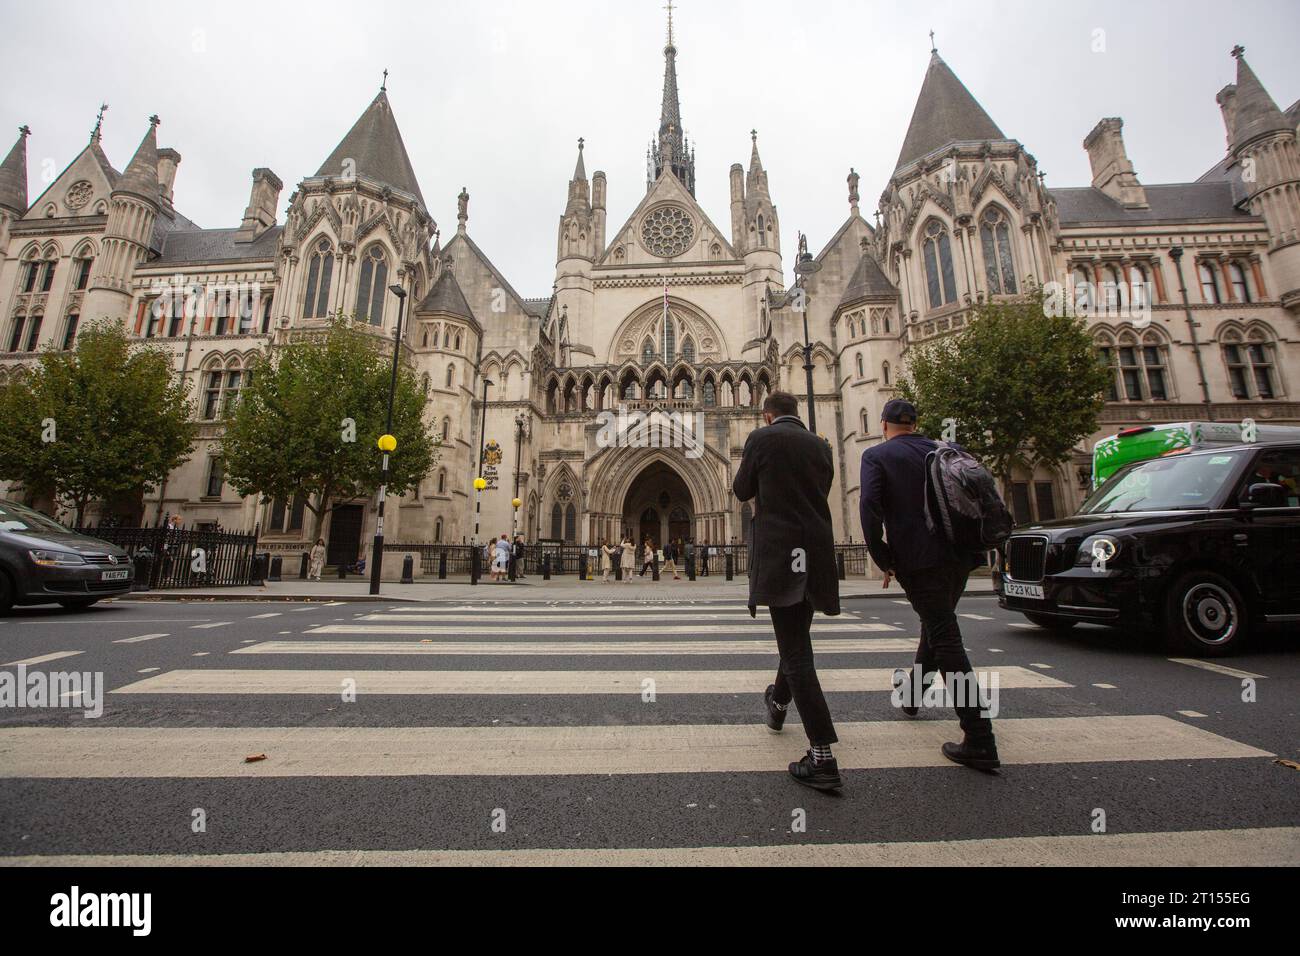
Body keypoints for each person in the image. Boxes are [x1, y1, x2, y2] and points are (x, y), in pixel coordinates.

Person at [860, 398, 999, 771]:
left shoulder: (878, 456)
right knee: (936, 627)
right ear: (916, 423)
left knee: (946, 638)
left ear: (883, 423)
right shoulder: (947, 449)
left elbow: (870, 509)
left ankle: (979, 736)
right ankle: (911, 696)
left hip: (920, 560)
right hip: (961, 556)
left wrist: (882, 557)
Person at [733, 391, 843, 792]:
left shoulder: (761, 439)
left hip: (782, 554)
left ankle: (823, 756)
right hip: (815, 551)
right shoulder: (820, 446)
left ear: (767, 415)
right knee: (796, 639)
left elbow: (742, 489)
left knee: (796, 653)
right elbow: (823, 488)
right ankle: (777, 705)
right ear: (797, 413)